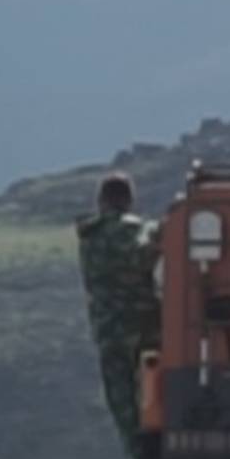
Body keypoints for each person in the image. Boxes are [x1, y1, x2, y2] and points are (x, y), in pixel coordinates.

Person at [73, 173, 158, 444]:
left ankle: (137, 452)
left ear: (101, 201)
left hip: (108, 329)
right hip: (144, 326)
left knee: (119, 397)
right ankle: (155, 441)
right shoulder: (135, 229)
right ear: (129, 200)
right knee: (151, 390)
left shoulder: (89, 238)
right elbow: (145, 259)